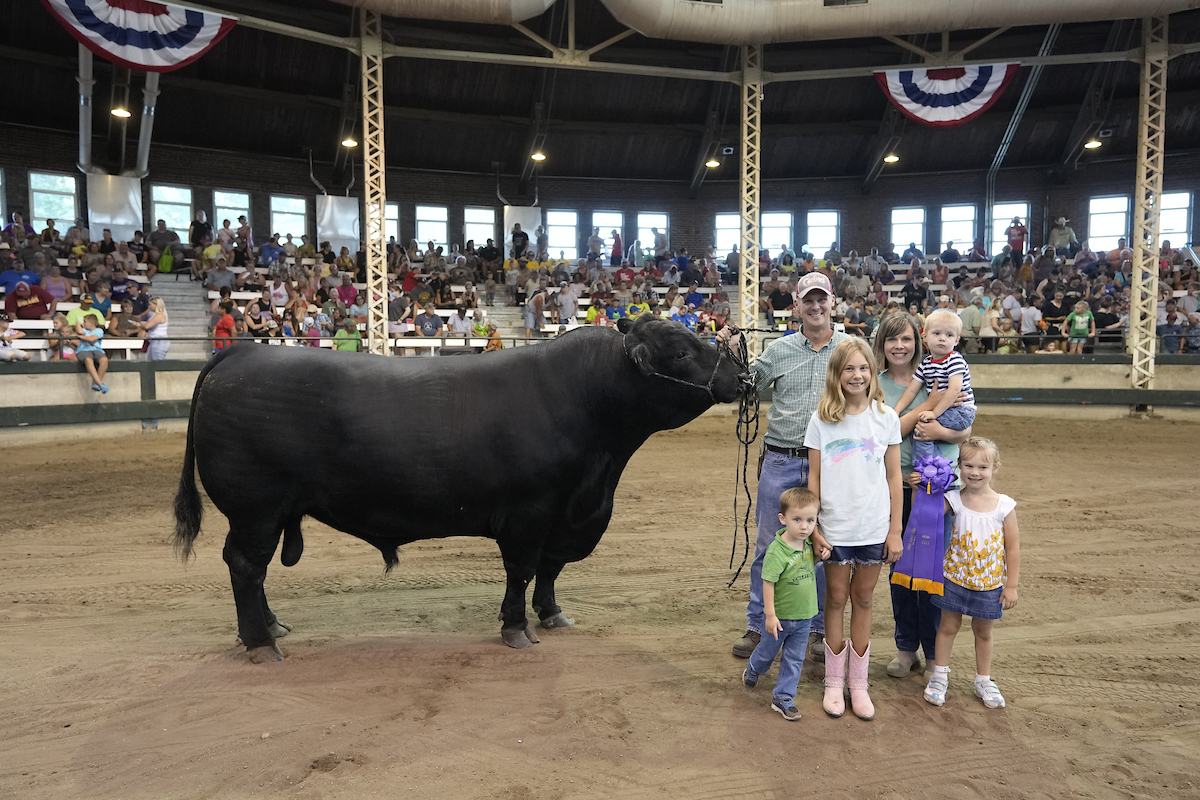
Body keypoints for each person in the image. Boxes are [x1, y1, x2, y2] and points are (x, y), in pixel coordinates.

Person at [721, 271, 848, 664]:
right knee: (768, 546)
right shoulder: (779, 350)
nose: (815, 306)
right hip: (780, 456)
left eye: (821, 299)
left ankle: (816, 629)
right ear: (797, 305)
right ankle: (759, 623)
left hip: (830, 461)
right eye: (808, 300)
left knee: (823, 545)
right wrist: (729, 354)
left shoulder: (849, 349)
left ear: (832, 303)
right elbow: (747, 386)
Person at [804, 338, 903, 721]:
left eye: (863, 368)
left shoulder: (886, 417)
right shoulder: (822, 419)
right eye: (849, 369)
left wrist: (894, 530)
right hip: (834, 528)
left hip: (873, 528)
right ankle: (833, 681)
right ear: (837, 374)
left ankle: (857, 685)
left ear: (872, 372)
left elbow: (894, 478)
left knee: (863, 600)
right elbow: (813, 477)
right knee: (834, 600)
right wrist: (814, 528)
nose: (857, 375)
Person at [875, 312, 972, 679]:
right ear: (882, 345)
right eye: (891, 340)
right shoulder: (877, 385)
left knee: (935, 572)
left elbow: (964, 431)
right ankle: (905, 647)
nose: (899, 346)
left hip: (940, 489)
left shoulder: (942, 370)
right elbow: (887, 432)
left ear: (919, 341)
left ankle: (934, 653)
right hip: (898, 488)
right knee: (900, 570)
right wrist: (928, 406)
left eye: (906, 340)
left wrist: (939, 433)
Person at [924, 438, 1021, 710]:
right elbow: (928, 515)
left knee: (984, 631)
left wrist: (1011, 585)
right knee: (948, 627)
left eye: (982, 467)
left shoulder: (1005, 506)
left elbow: (1012, 548)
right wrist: (927, 485)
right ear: (959, 466)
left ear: (996, 468)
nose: (975, 472)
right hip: (954, 578)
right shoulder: (952, 499)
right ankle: (939, 675)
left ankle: (984, 679)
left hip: (990, 583)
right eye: (968, 465)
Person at [741, 487, 830, 722]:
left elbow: (809, 566)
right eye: (797, 520)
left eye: (810, 520)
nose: (804, 526)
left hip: (804, 618)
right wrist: (769, 615)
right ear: (783, 519)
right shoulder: (776, 551)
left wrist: (822, 555)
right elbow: (767, 583)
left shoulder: (808, 546)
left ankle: (783, 697)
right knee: (767, 652)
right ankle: (754, 667)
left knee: (794, 659)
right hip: (779, 618)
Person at [894, 310, 976, 462]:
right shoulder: (926, 364)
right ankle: (931, 464)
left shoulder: (955, 360)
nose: (942, 339)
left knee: (923, 427)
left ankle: (926, 466)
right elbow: (912, 389)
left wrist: (934, 413)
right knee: (924, 429)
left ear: (957, 340)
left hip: (961, 410)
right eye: (937, 333)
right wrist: (896, 411)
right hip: (950, 410)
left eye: (949, 335)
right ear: (925, 337)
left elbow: (954, 390)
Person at [75, 314, 110, 392]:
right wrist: (78, 323)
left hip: (96, 350)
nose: (83, 323)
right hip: (83, 349)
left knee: (104, 359)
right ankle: (100, 384)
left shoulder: (99, 330)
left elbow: (92, 339)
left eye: (85, 322)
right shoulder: (84, 330)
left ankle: (96, 383)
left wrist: (80, 337)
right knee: (88, 359)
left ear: (92, 323)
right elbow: (79, 331)